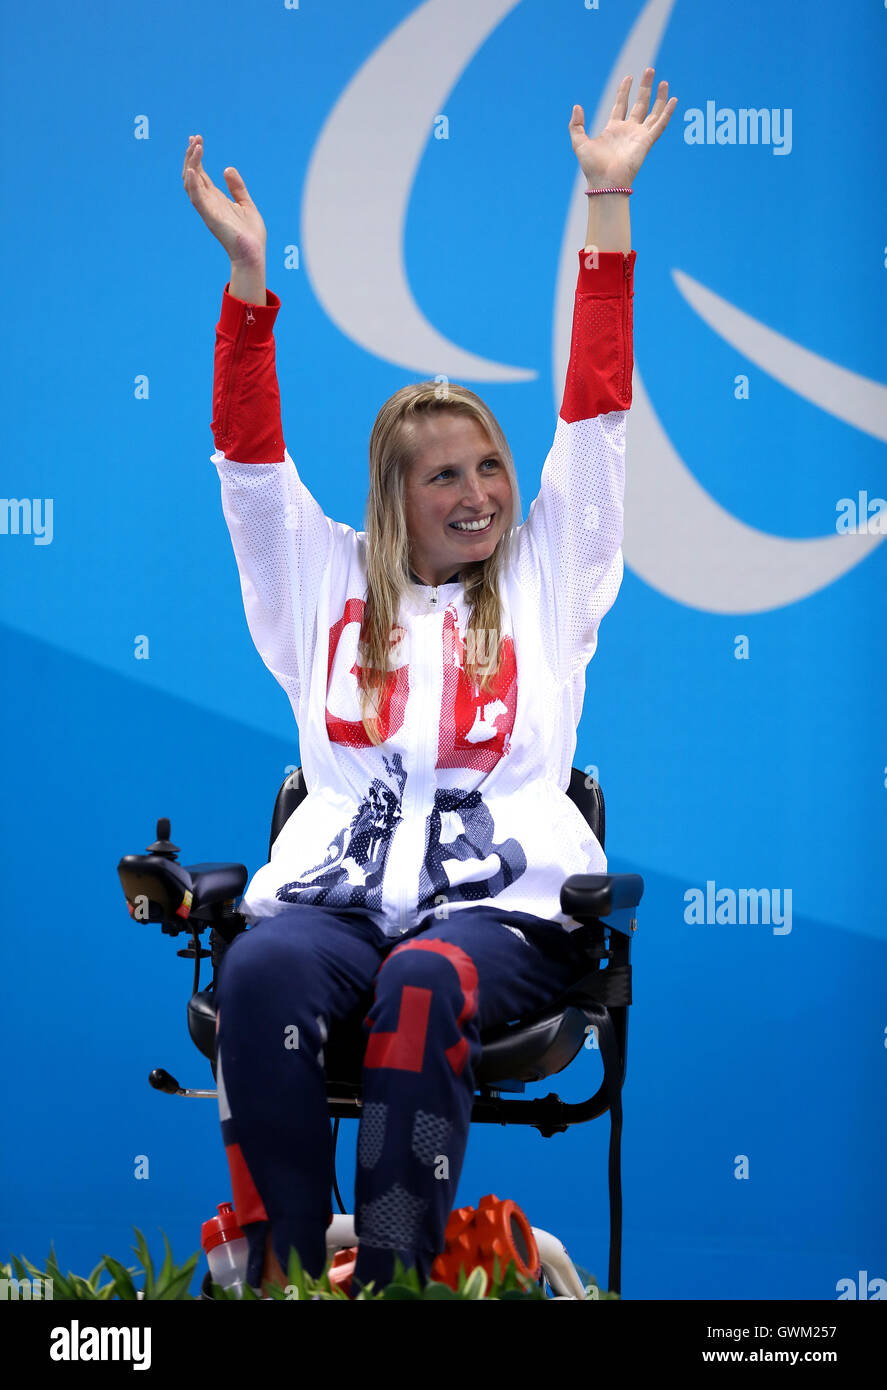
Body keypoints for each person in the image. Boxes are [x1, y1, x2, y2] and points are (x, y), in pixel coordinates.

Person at [182, 69, 676, 1297]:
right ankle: (291, 1278)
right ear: (391, 499)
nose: (478, 495)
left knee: (424, 980)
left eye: (489, 468)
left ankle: (397, 1275)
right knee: (258, 967)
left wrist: (605, 205)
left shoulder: (555, 571)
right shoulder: (321, 582)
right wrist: (249, 293)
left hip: (495, 922)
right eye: (443, 477)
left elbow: (597, 414)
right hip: (339, 900)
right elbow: (247, 464)